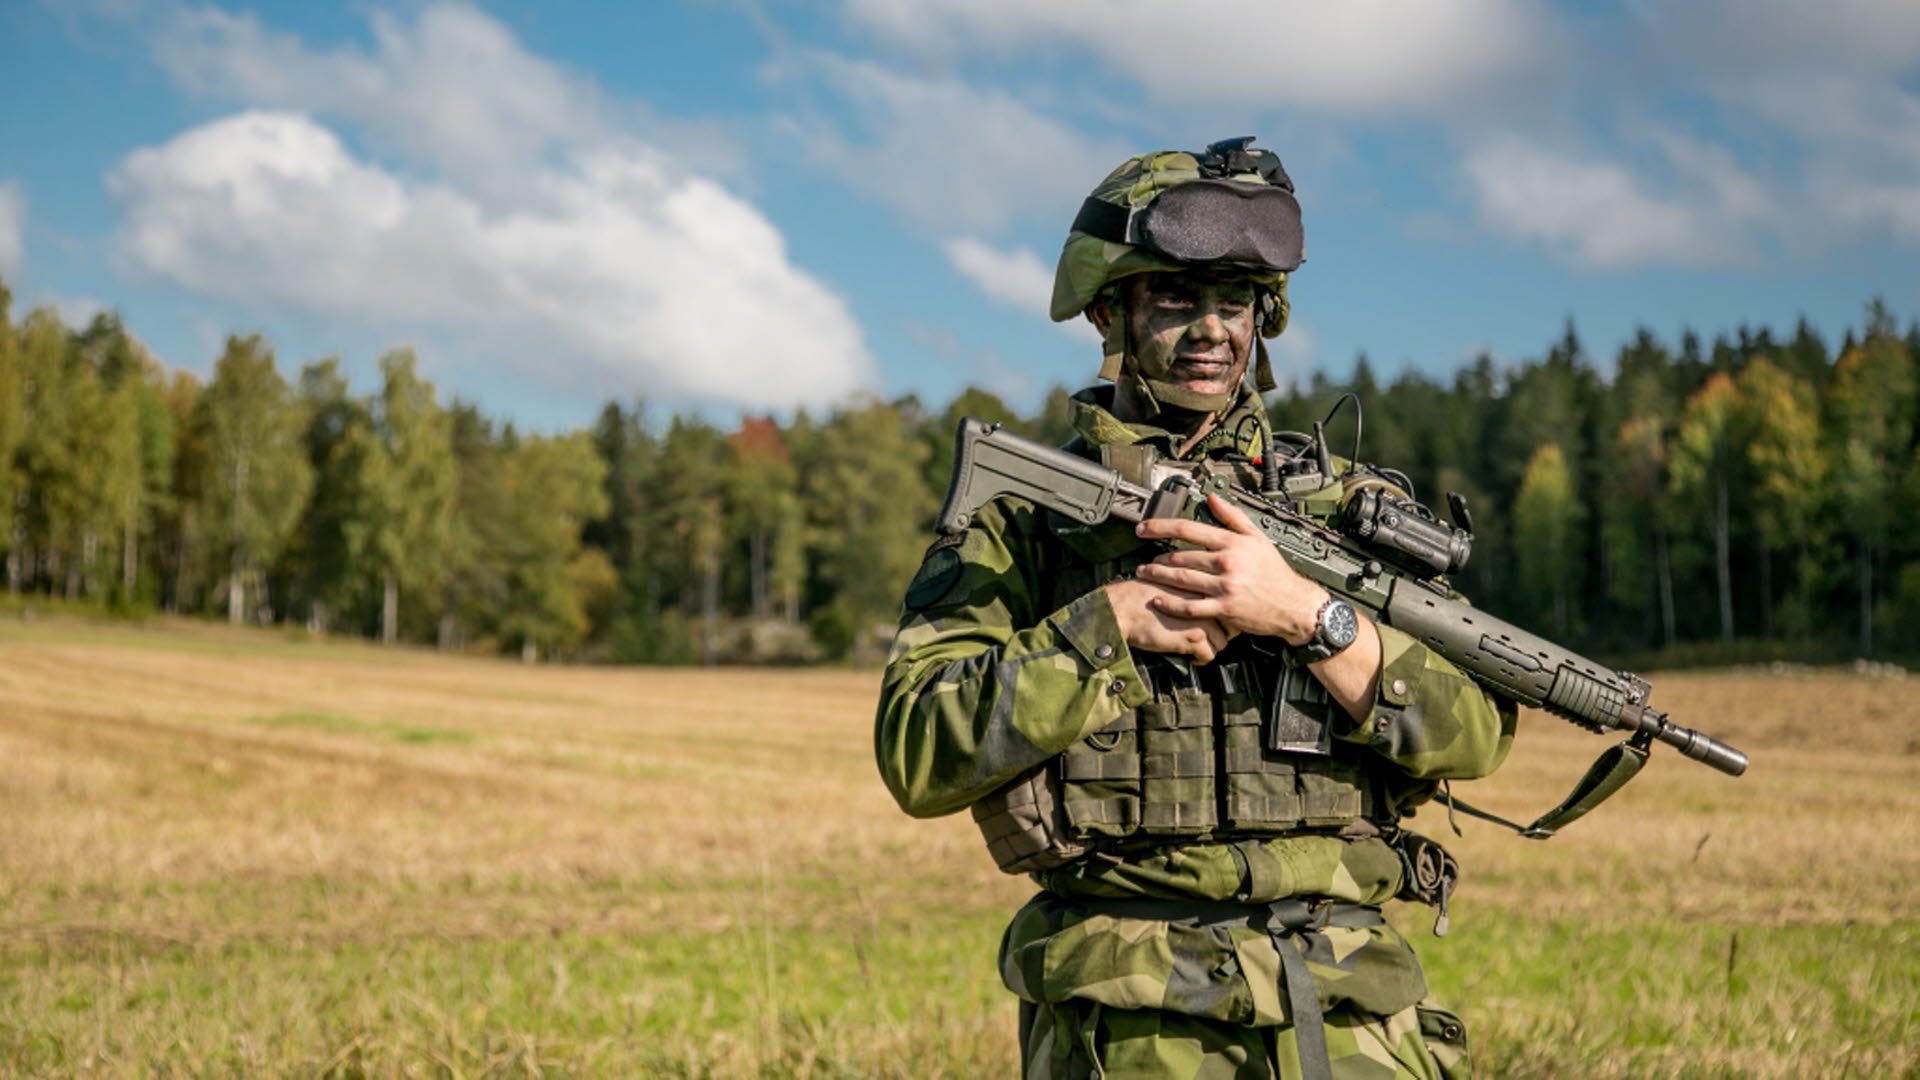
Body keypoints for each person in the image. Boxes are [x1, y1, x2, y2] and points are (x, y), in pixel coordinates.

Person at [875, 139, 1515, 1080]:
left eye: (1236, 303)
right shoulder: (1027, 519)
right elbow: (917, 751)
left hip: (1348, 1006)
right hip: (1133, 1015)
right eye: (1176, 300)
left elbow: (1478, 737)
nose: (1212, 330)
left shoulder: (1348, 515)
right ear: (1109, 311)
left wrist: (1311, 617)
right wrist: (1110, 628)